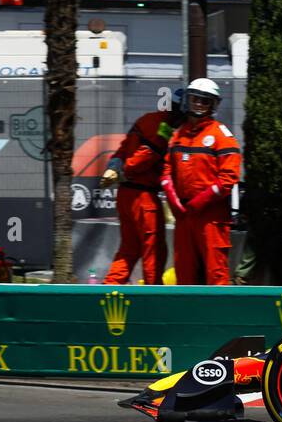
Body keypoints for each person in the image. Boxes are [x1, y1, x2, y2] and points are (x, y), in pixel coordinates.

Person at [160, 78, 241, 285]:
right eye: (195, 98)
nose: (198, 104)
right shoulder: (178, 134)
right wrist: (173, 199)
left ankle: (220, 315)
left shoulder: (221, 135)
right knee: (183, 270)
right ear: (188, 100)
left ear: (213, 105)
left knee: (216, 272)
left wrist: (201, 201)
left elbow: (229, 177)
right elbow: (166, 170)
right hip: (184, 214)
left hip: (211, 217)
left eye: (204, 101)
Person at [101, 90, 184, 285]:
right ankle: (153, 298)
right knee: (153, 250)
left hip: (125, 195)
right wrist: (125, 171)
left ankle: (109, 289)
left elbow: (123, 148)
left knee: (129, 249)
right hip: (143, 197)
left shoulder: (146, 119)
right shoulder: (165, 128)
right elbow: (148, 154)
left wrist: (114, 168)